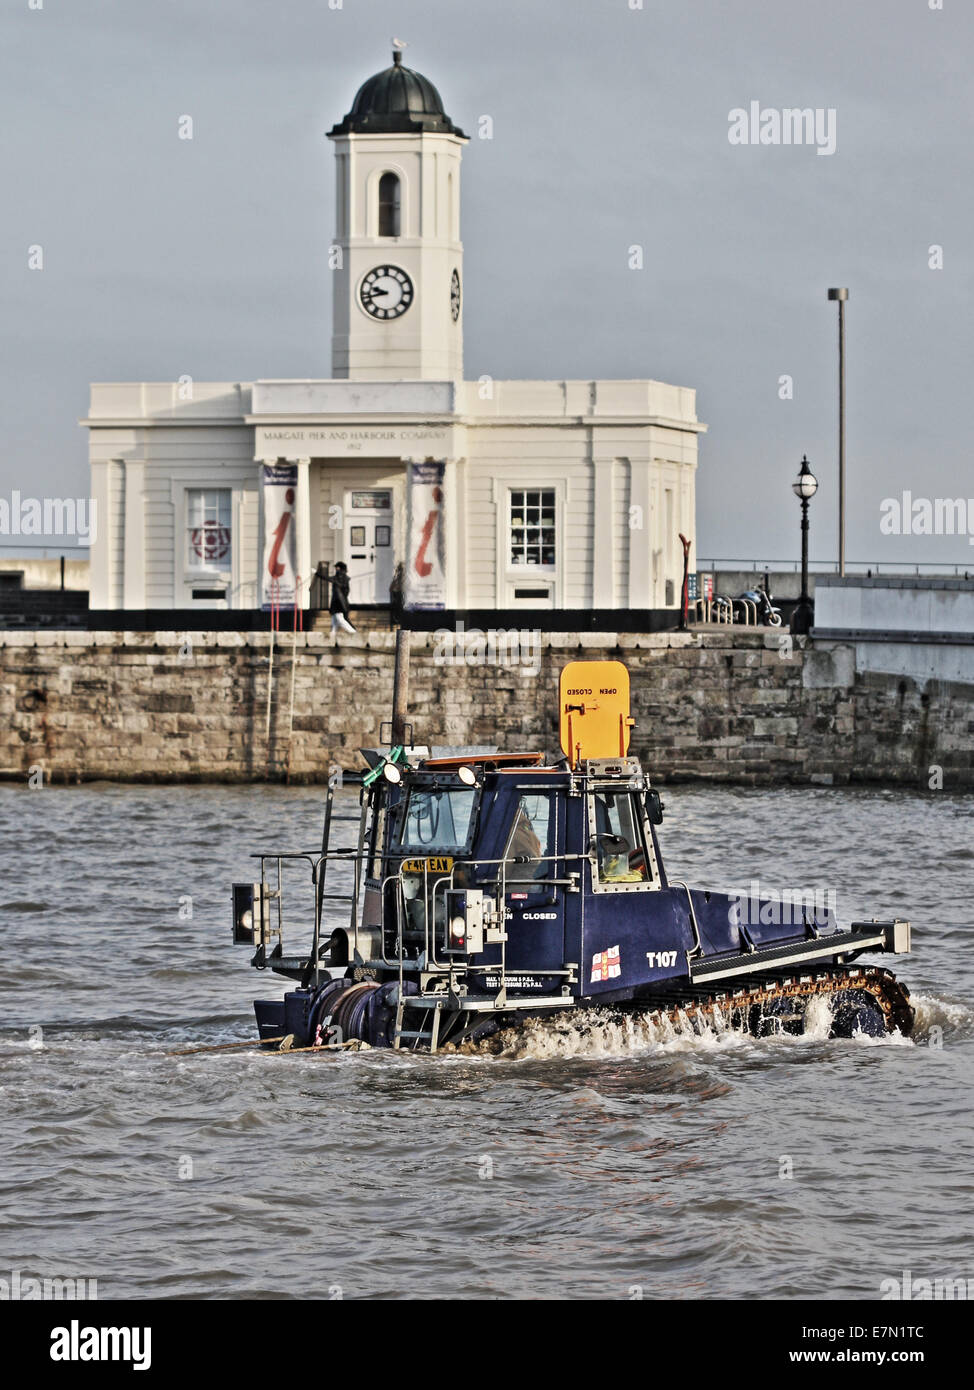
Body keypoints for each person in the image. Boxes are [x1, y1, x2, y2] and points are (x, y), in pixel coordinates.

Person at [329, 562, 356, 634]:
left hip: (339, 603)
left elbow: (346, 591)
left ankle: (353, 632)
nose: (336, 569)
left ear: (340, 568)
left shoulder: (340, 578)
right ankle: (332, 634)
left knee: (340, 619)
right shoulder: (339, 578)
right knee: (334, 621)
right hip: (338, 602)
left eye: (337, 567)